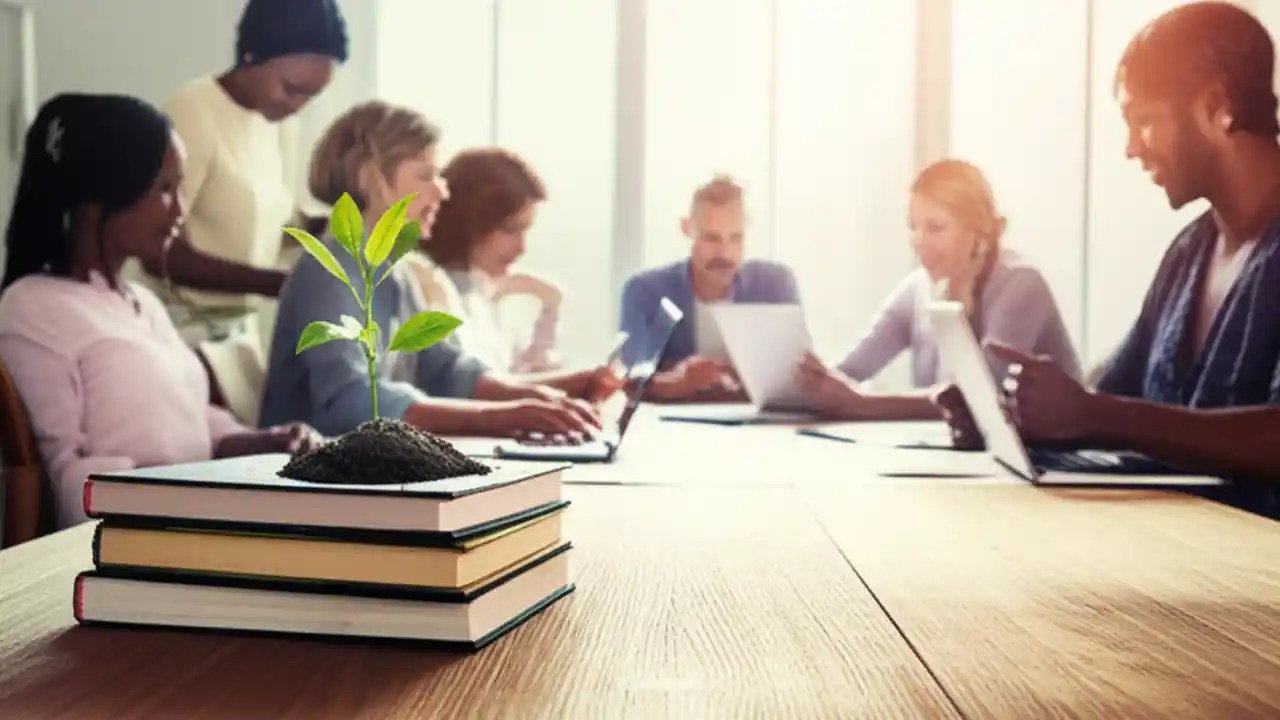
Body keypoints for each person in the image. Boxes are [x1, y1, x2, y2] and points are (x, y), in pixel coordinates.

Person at [938, 2, 1280, 516]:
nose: (1130, 149)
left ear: (1217, 107)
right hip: (1178, 551)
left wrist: (1092, 414)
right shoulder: (1190, 252)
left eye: (1144, 121)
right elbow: (1109, 399)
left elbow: (1108, 414)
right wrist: (1013, 414)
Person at [0, 94, 321, 529]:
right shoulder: (31, 308)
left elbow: (187, 417)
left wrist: (262, 441)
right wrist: (188, 500)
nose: (179, 211)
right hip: (128, 537)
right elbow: (66, 477)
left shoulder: (140, 303)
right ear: (100, 197)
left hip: (188, 513)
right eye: (165, 189)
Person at [260, 102, 613, 439]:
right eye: (427, 175)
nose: (443, 191)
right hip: (310, 484)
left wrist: (556, 390)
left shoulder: (391, 269)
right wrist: (503, 417)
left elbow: (445, 369)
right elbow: (351, 402)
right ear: (371, 179)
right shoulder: (330, 270)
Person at [131, 0, 350, 425]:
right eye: (292, 88)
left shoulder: (278, 123)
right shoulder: (193, 110)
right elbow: (158, 253)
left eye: (312, 95)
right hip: (183, 338)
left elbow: (273, 225)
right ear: (252, 56)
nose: (298, 105)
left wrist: (341, 226)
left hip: (240, 340)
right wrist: (278, 284)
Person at [796, 159, 1080, 420]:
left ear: (978, 233)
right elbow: (850, 372)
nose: (919, 241)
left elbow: (979, 401)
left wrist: (863, 404)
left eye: (935, 228)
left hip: (1056, 460)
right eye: (913, 226)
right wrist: (810, 382)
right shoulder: (919, 287)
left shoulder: (1020, 284)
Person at [619, 174, 800, 402]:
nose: (724, 254)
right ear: (687, 229)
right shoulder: (644, 291)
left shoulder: (776, 284)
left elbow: (800, 374)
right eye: (711, 238)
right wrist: (678, 382)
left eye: (736, 238)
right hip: (673, 429)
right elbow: (630, 380)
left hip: (764, 424)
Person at [423, 148, 565, 374]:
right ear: (470, 221)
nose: (521, 249)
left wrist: (551, 305)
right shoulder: (431, 294)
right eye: (510, 230)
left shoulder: (482, 294)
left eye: (526, 231)